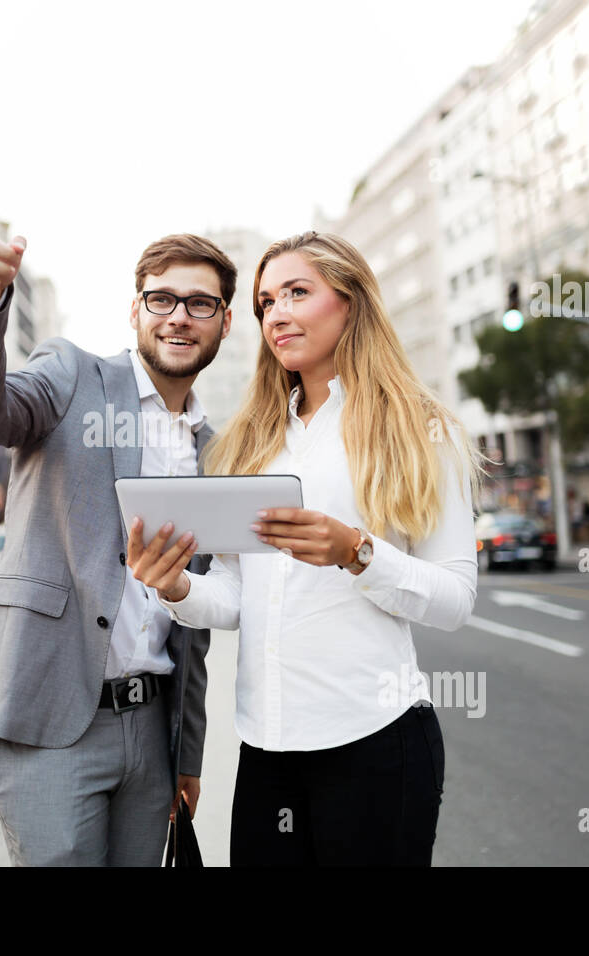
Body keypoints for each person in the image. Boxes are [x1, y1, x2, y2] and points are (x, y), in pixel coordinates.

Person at [127, 231, 487, 866]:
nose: (277, 314)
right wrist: (177, 587)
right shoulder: (250, 443)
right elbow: (240, 596)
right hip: (266, 750)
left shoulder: (420, 430)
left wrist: (359, 552)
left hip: (376, 741)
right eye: (266, 302)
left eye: (298, 293)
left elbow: (454, 600)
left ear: (349, 303)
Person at [0, 197, 236, 866]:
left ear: (223, 323)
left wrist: (186, 752)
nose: (180, 316)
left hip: (152, 732)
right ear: (135, 312)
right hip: (54, 722)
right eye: (161, 300)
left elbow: (194, 623)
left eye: (201, 304)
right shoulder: (72, 377)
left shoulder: (216, 452)